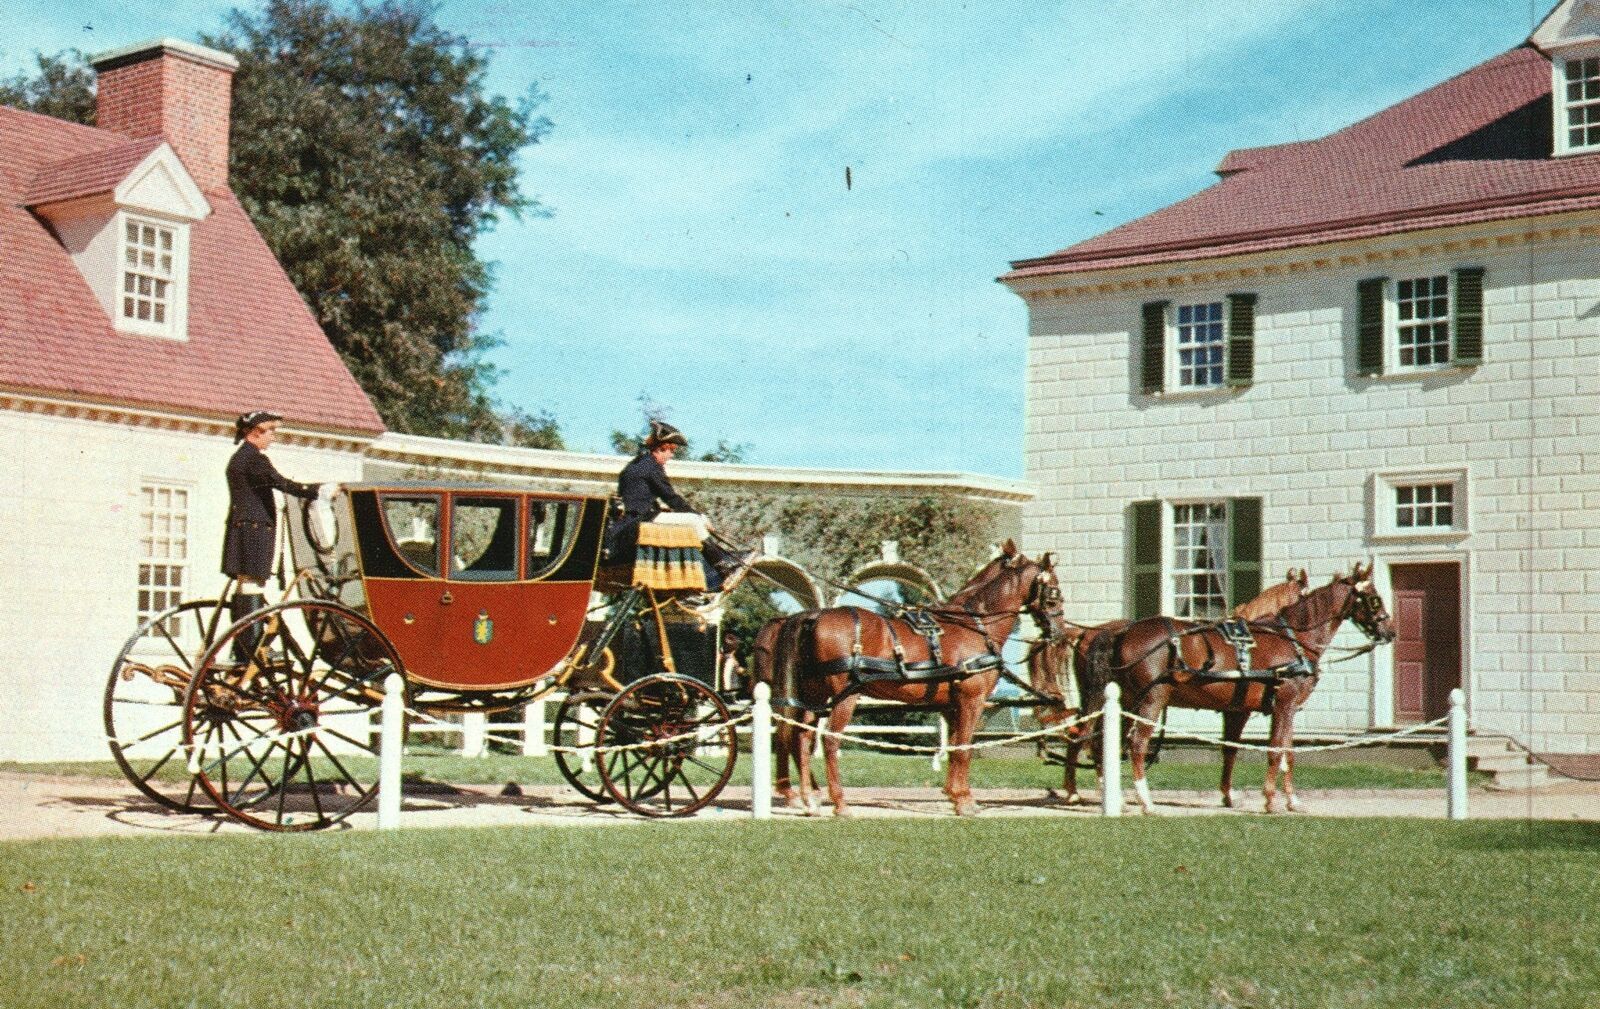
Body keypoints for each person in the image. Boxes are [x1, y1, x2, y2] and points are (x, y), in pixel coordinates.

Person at [607, 420, 750, 591]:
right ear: (662, 448)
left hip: (630, 521)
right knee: (693, 521)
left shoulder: (635, 465)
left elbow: (639, 497)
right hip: (639, 520)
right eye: (671, 451)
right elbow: (671, 498)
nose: (671, 456)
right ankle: (722, 566)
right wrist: (700, 516)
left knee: (686, 519)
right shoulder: (652, 467)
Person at [221, 410, 320, 656]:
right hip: (254, 530)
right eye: (271, 432)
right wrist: (319, 491)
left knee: (246, 584)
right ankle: (252, 647)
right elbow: (282, 483)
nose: (273, 437)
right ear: (256, 432)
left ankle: (244, 646)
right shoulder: (254, 460)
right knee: (252, 583)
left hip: (244, 528)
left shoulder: (239, 458)